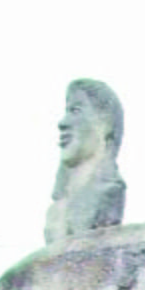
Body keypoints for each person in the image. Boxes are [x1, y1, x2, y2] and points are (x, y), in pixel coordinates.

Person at [43, 79, 126, 245]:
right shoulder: (56, 211)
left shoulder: (108, 191)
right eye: (67, 111)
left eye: (76, 110)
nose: (63, 123)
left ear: (106, 122)